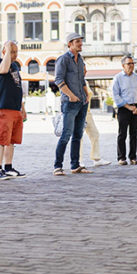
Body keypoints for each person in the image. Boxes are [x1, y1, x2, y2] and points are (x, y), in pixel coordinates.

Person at [53, 33, 93, 176]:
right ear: (69, 44)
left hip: (82, 102)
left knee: (78, 135)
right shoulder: (63, 59)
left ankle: (75, 165)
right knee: (66, 135)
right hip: (69, 103)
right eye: (77, 42)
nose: (80, 44)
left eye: (81, 41)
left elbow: (82, 81)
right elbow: (58, 80)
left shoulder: (81, 60)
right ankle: (57, 166)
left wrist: (86, 94)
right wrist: (71, 96)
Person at [0, 41, 27, 180]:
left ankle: (8, 167)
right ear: (4, 51)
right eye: (12, 51)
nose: (15, 55)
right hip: (4, 107)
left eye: (16, 52)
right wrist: (6, 51)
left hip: (15, 108)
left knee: (11, 140)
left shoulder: (14, 66)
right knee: (1, 139)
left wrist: (22, 106)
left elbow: (17, 86)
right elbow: (3, 71)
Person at [112, 55, 137, 166]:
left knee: (134, 134)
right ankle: (121, 158)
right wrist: (128, 106)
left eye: (132, 63)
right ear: (123, 65)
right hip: (123, 109)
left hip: (136, 108)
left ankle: (133, 157)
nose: (131, 65)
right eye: (128, 63)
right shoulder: (118, 78)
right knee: (122, 134)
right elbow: (116, 95)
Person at [80, 92, 111, 168]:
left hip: (87, 112)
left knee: (95, 134)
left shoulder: (84, 81)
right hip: (78, 112)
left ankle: (96, 158)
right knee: (78, 137)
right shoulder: (75, 80)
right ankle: (78, 161)